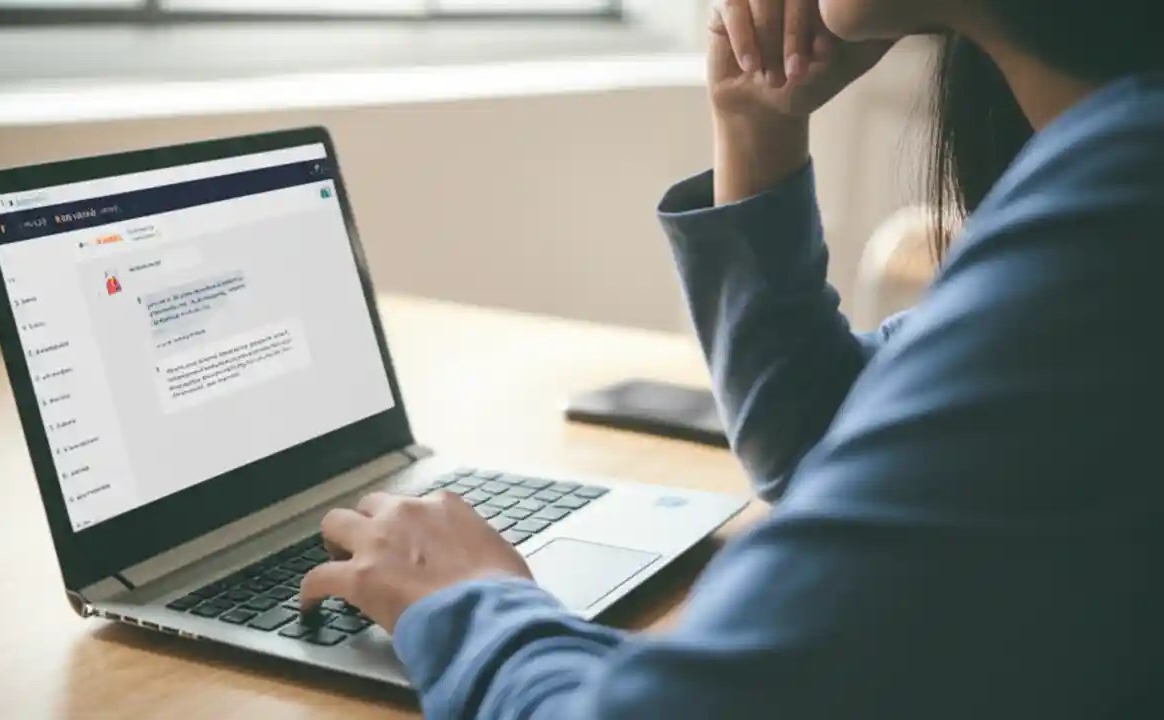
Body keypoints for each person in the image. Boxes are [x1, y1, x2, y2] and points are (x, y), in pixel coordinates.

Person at [301, 1, 1163, 716]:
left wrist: (464, 603)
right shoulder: (1110, 153)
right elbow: (827, 445)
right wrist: (757, 123)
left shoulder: (1126, 213)